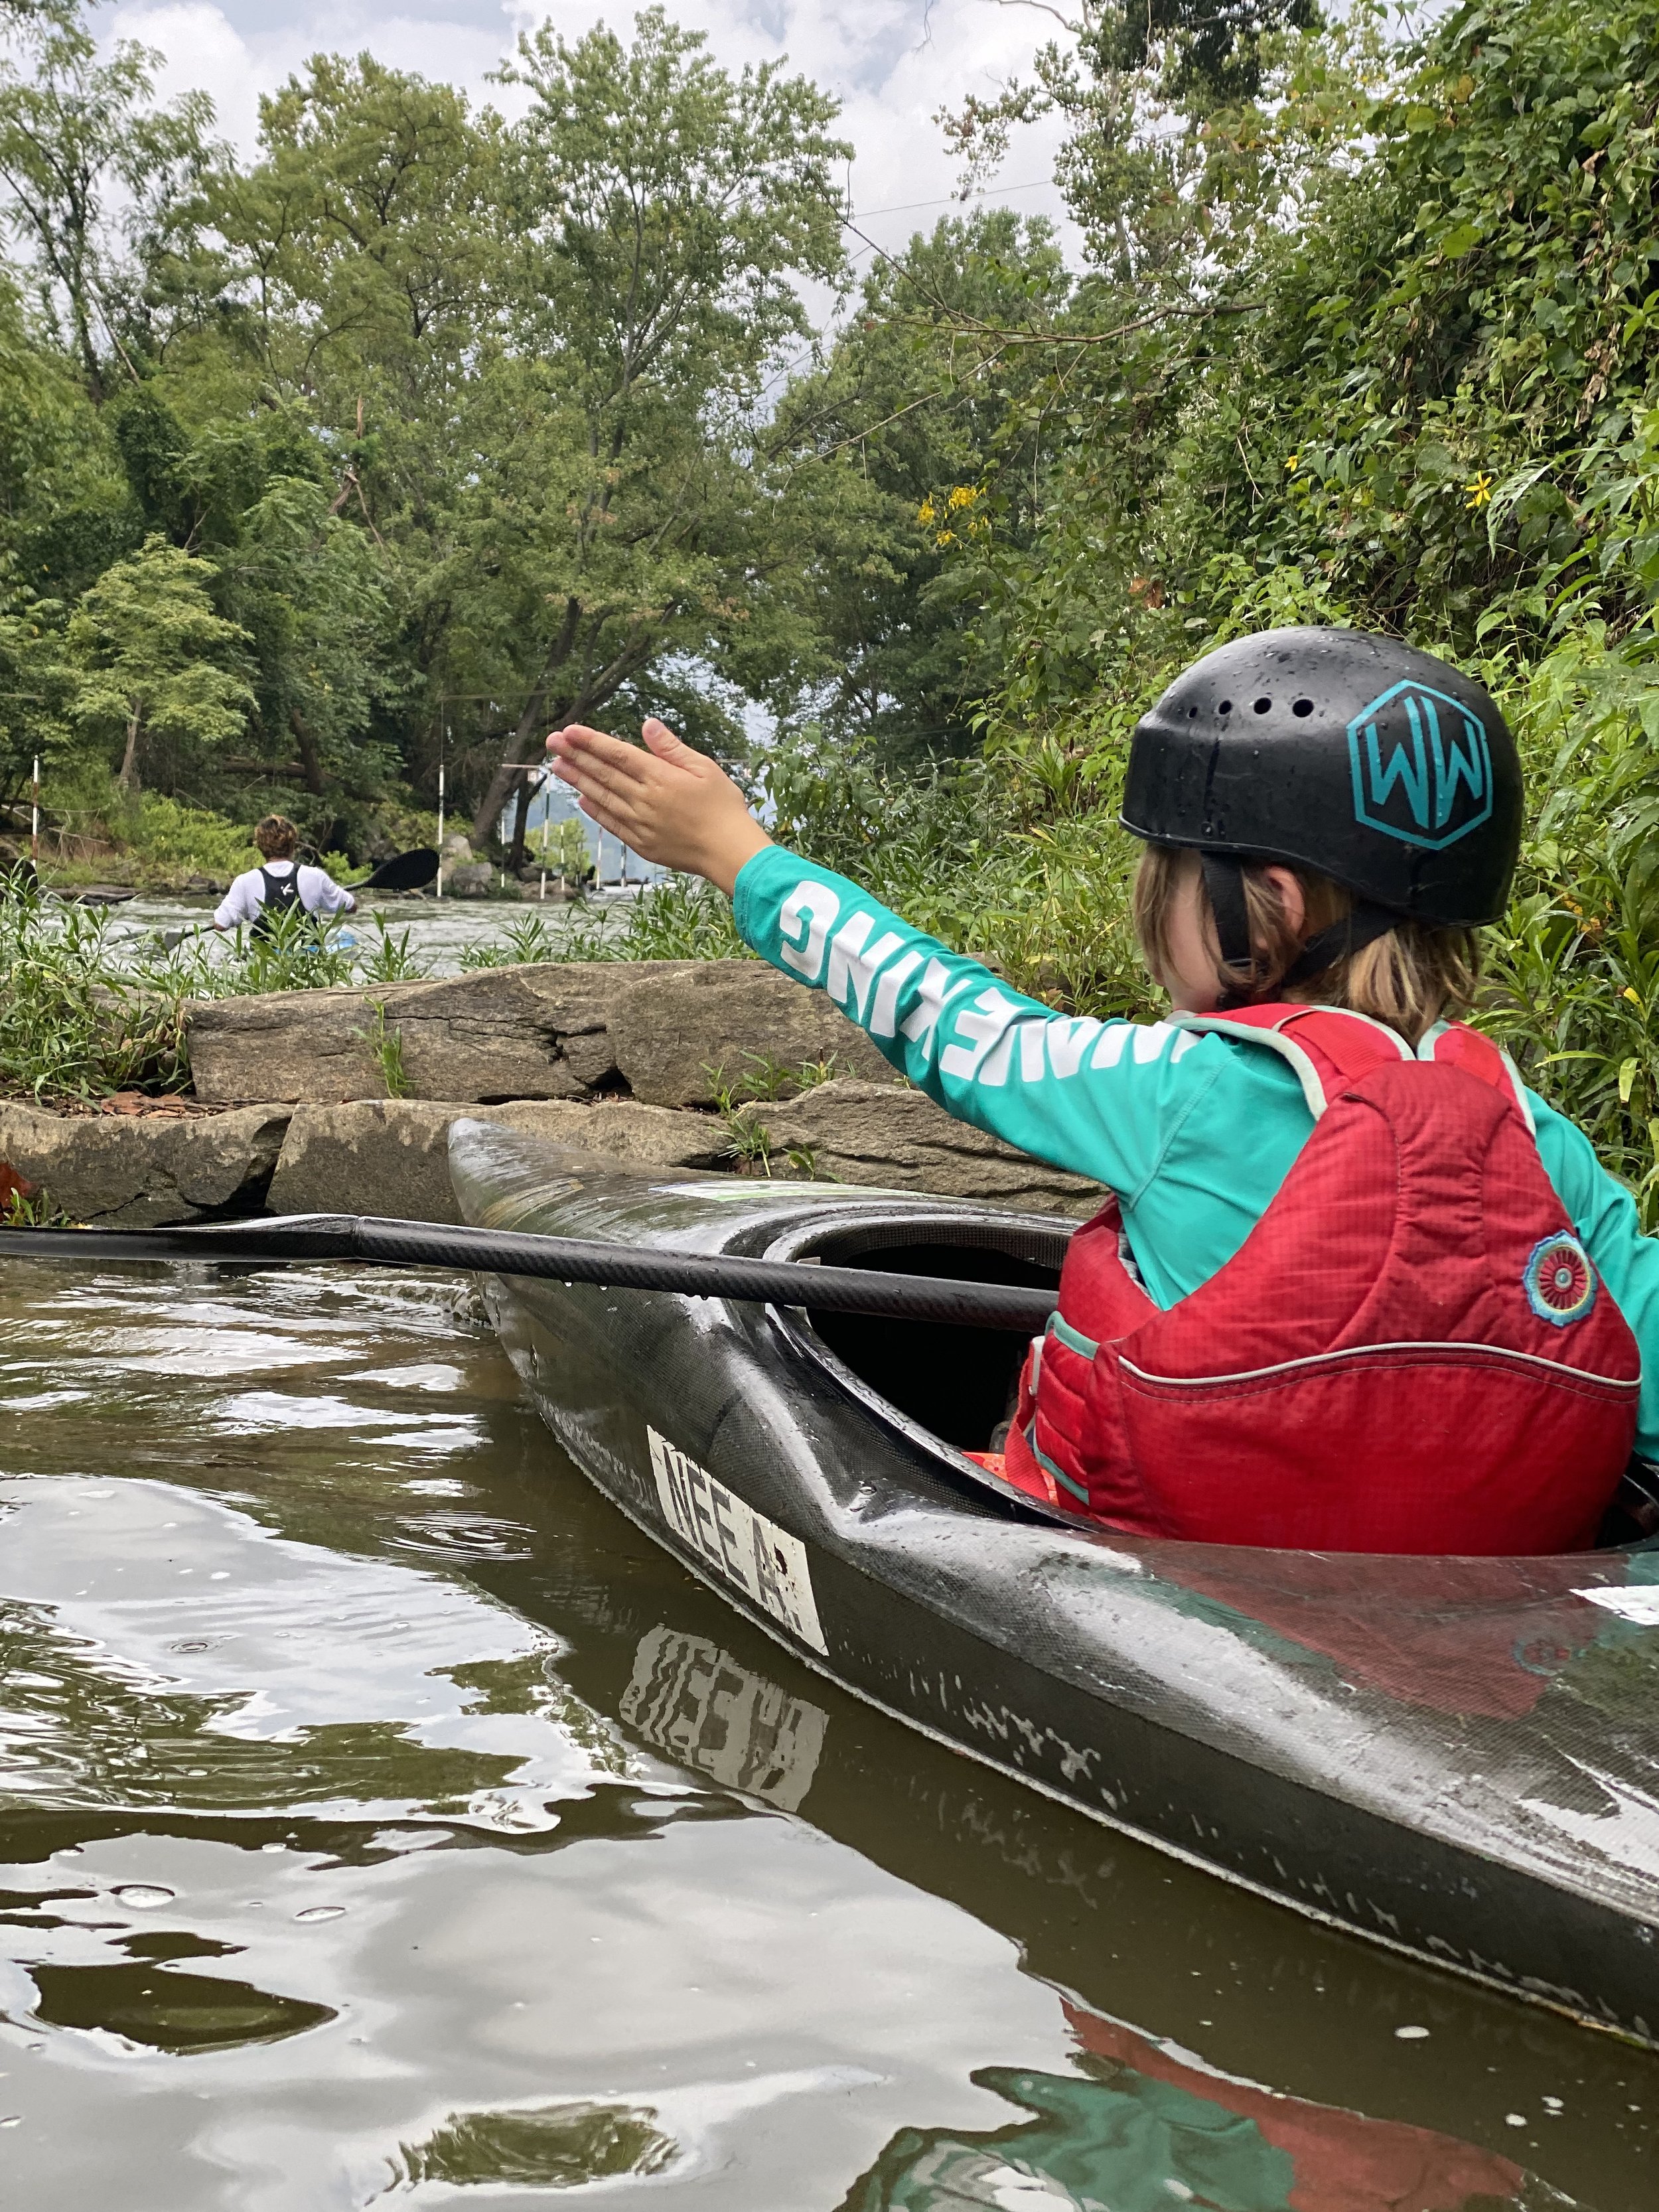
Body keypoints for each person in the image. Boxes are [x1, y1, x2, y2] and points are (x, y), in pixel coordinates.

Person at [545, 627, 1659, 1555]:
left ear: (1264, 903)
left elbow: (953, 1023)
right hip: (1470, 1603)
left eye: (1164, 874)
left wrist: (744, 856)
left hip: (1172, 1562)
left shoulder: (1184, 1087)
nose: (1146, 907)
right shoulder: (1534, 1134)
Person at [212, 815, 356, 938]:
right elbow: (350, 907)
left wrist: (247, 911)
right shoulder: (315, 876)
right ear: (293, 844)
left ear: (260, 846)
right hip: (307, 960)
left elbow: (221, 924)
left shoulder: (245, 881)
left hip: (266, 961)